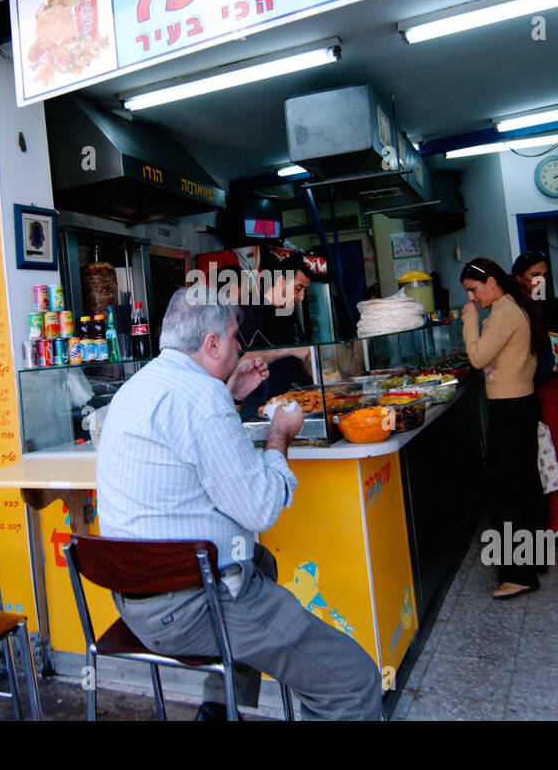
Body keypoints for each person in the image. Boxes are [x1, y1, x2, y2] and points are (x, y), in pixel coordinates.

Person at [95, 287, 382, 720]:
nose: (239, 346)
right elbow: (261, 508)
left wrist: (230, 394)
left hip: (134, 601)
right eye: (233, 337)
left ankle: (219, 705)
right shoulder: (202, 399)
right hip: (192, 604)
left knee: (261, 561)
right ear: (211, 344)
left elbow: (194, 453)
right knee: (354, 681)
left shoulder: (137, 387)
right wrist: (280, 433)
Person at [460, 258, 545, 598]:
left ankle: (519, 574)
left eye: (473, 289)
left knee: (503, 491)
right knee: (525, 486)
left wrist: (469, 321)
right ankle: (533, 559)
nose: (472, 298)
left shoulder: (502, 313)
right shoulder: (516, 307)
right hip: (523, 404)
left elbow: (478, 358)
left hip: (509, 410)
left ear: (491, 282)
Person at [511, 251, 558, 532]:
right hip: (520, 390)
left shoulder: (554, 307)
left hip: (551, 387)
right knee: (530, 456)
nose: (541, 281)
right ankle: (536, 523)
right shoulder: (512, 308)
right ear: (518, 278)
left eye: (544, 275)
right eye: (534, 275)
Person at [235, 249, 314, 419]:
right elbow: (242, 363)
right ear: (281, 281)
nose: (302, 297)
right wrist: (289, 350)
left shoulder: (289, 313)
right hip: (258, 408)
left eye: (304, 290)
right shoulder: (251, 313)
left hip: (292, 401)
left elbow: (302, 355)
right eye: (298, 289)